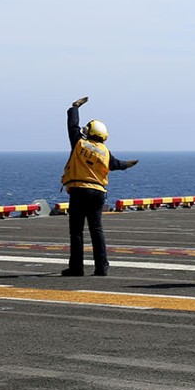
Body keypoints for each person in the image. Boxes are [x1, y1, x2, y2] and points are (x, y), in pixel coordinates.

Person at [60, 96, 138, 277]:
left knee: (77, 231)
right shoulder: (104, 152)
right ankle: (101, 267)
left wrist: (75, 107)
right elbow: (117, 164)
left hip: (79, 190)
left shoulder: (79, 142)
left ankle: (76, 268)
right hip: (98, 193)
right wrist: (128, 164)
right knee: (96, 230)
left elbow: (72, 125)